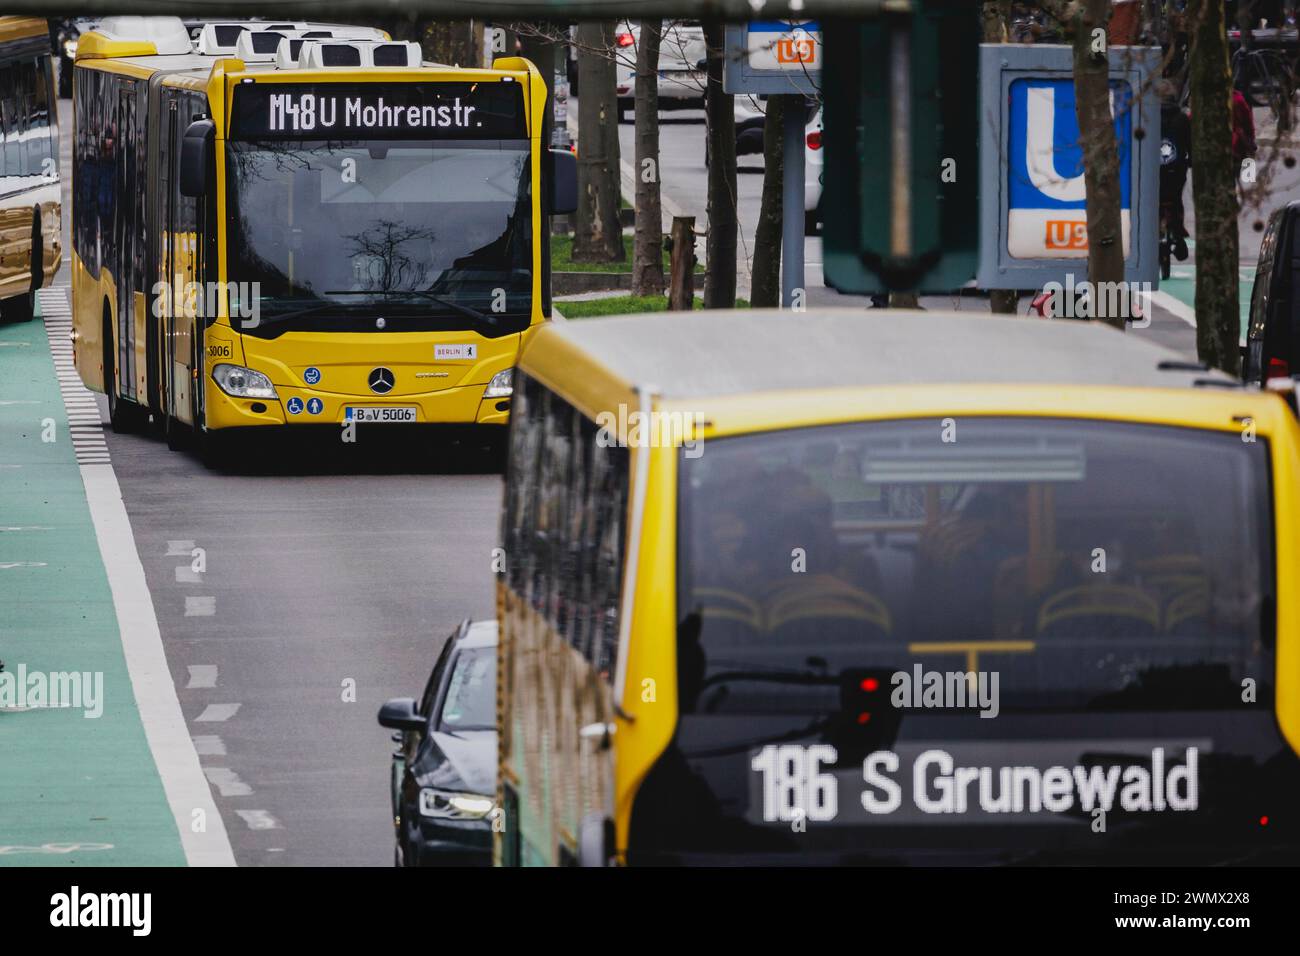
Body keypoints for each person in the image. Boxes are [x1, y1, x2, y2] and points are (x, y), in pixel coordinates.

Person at [1159, 81, 1192, 262]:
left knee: (1152, 200)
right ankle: (1178, 231)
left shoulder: (1148, 118)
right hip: (1176, 170)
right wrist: (1191, 160)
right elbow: (1190, 144)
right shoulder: (1182, 119)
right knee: (1176, 198)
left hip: (1154, 171)